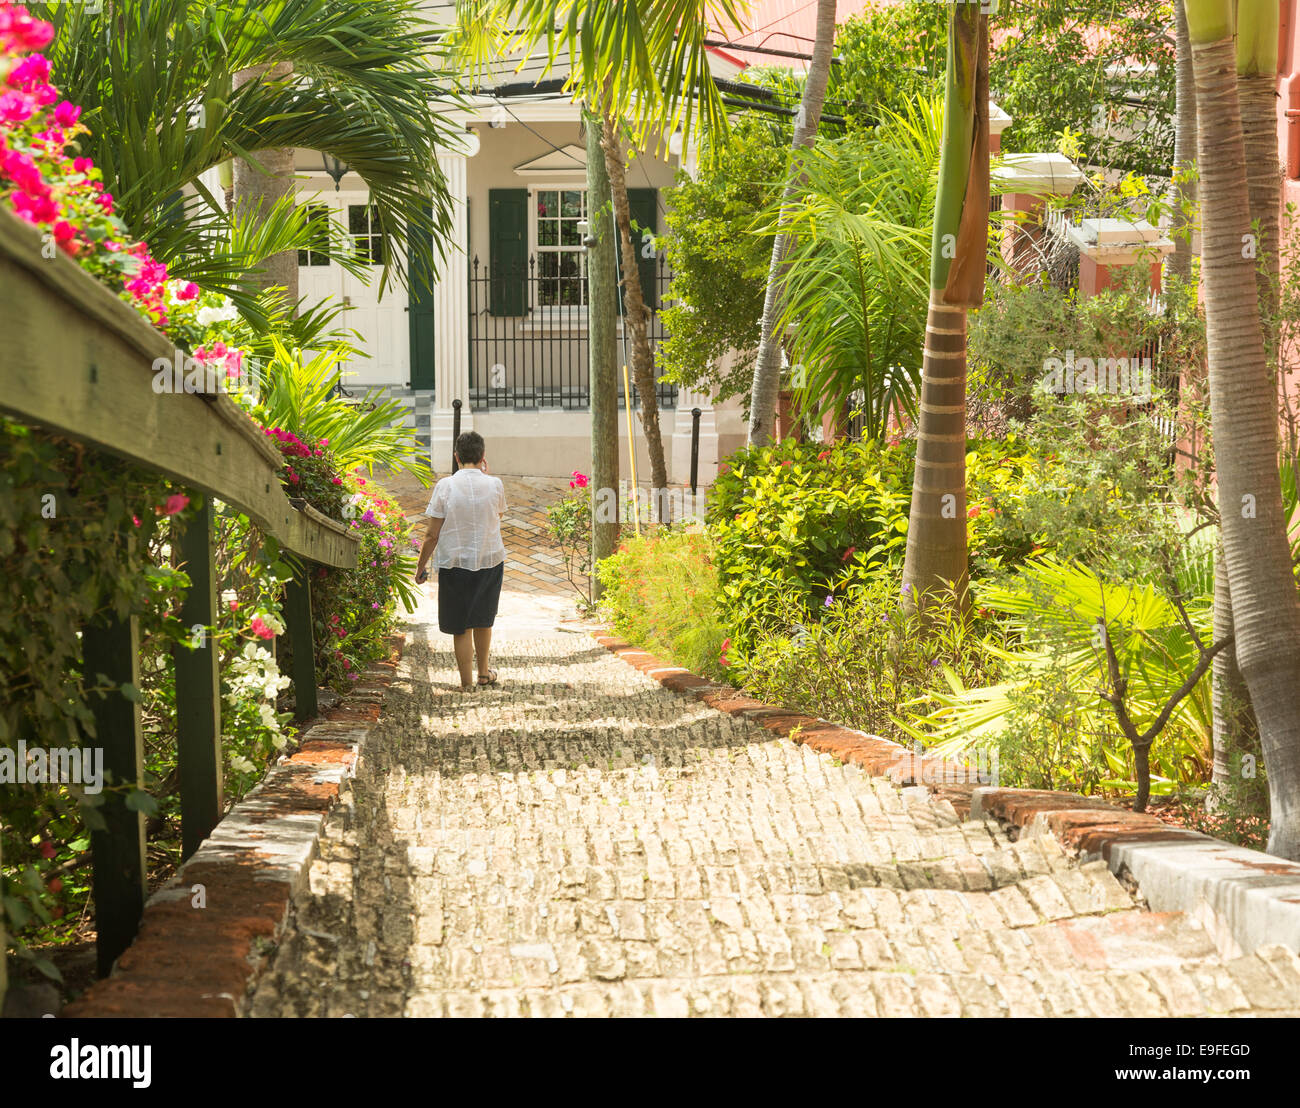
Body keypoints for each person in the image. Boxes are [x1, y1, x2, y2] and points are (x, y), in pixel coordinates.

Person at [414, 431, 506, 689]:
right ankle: (484, 674)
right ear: (482, 457)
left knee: (461, 625)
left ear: (456, 457)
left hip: (454, 563)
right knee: (483, 619)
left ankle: (466, 683)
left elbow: (431, 534)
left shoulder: (445, 486)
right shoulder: (495, 484)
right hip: (490, 559)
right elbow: (497, 514)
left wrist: (421, 567)